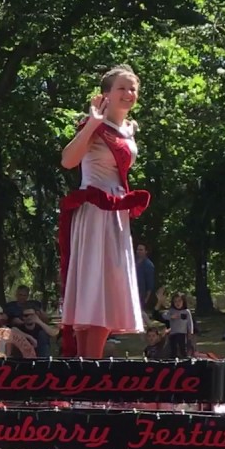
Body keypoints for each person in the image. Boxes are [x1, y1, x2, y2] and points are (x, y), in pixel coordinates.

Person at [59, 64, 149, 358]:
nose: (128, 93)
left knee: (106, 286)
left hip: (116, 214)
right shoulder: (94, 125)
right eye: (122, 88)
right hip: (96, 212)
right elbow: (68, 161)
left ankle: (87, 368)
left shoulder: (130, 129)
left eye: (132, 88)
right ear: (106, 94)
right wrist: (92, 125)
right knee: (96, 288)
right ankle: (89, 368)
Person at [161, 293, 195, 358]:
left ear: (183, 301)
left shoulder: (186, 311)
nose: (177, 303)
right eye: (175, 301)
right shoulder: (171, 311)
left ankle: (184, 357)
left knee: (182, 346)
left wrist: (190, 332)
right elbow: (164, 316)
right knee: (173, 347)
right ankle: (173, 358)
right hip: (173, 333)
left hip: (182, 333)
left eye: (179, 301)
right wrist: (171, 317)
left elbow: (190, 322)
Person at [135, 244, 156, 311]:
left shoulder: (149, 265)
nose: (139, 251)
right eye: (138, 249)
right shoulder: (133, 262)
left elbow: (150, 284)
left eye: (141, 250)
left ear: (146, 251)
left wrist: (146, 299)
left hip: (141, 294)